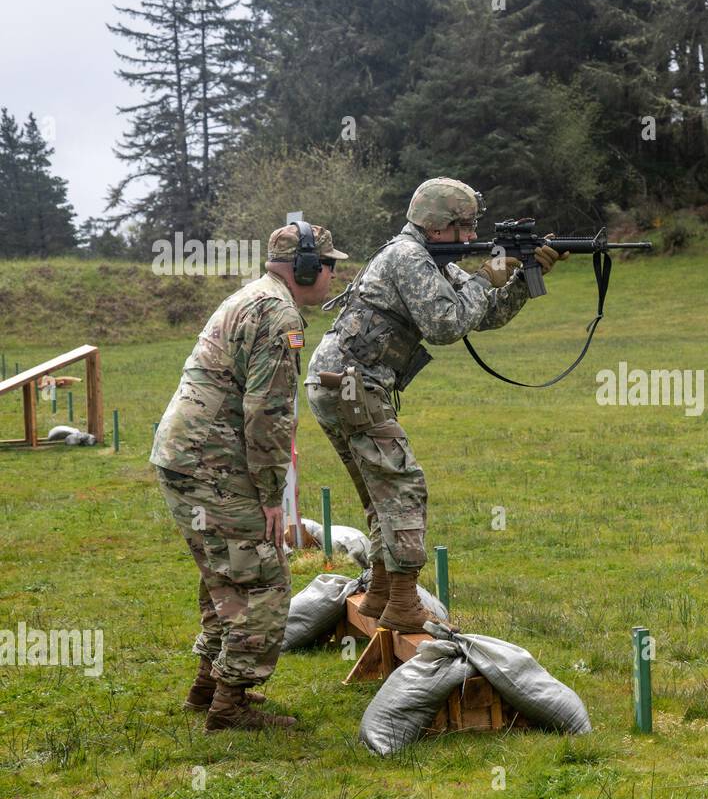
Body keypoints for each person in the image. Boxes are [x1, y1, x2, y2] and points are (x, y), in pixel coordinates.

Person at [306, 177, 567, 633]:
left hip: (341, 384)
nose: (470, 236)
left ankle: (383, 596)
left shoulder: (429, 259)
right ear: (436, 224)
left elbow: (482, 314)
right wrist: (488, 275)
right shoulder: (409, 258)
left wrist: (526, 276)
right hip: (351, 385)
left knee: (382, 493)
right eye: (463, 226)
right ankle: (405, 604)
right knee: (405, 487)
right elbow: (447, 323)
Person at [152, 222, 345, 732]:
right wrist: (269, 493)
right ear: (305, 267)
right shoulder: (281, 314)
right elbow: (268, 411)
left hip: (185, 455)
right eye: (328, 265)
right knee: (262, 579)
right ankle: (229, 707)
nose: (332, 275)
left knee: (223, 574)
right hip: (211, 462)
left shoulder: (251, 296)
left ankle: (207, 687)